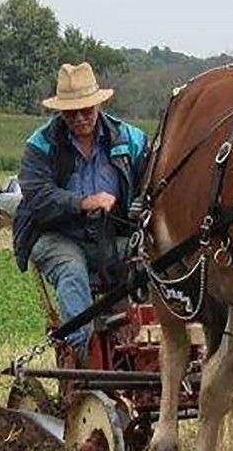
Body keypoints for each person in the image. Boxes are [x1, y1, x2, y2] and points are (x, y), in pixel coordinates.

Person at [12, 62, 148, 359]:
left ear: (99, 105)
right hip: (55, 235)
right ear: (61, 112)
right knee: (72, 272)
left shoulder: (132, 140)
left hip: (110, 236)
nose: (81, 118)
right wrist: (84, 203)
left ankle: (143, 346)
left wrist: (142, 202)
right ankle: (80, 356)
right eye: (72, 112)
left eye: (87, 110)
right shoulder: (41, 145)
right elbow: (39, 198)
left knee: (149, 259)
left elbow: (152, 180)